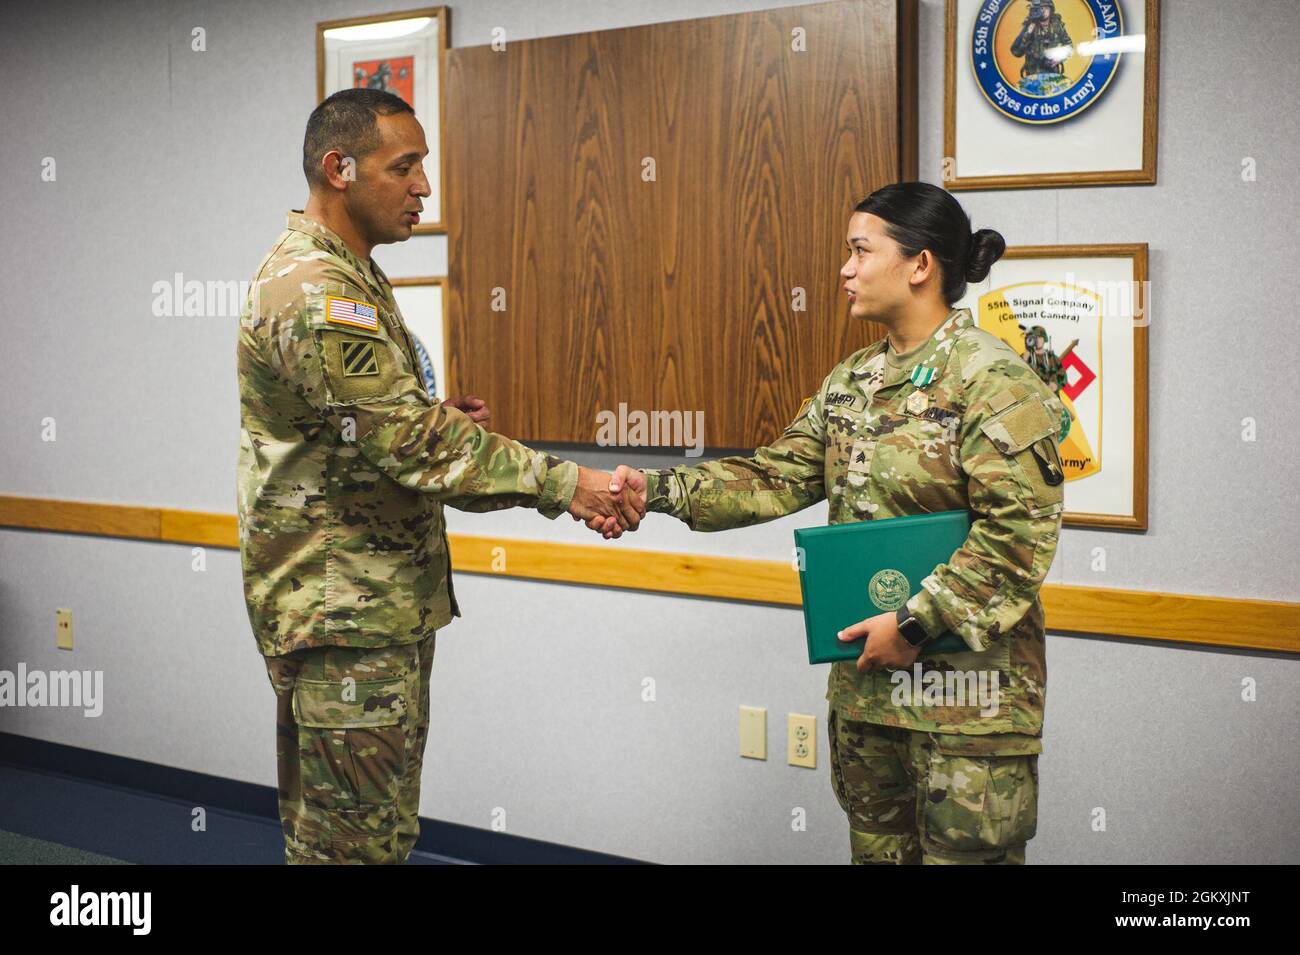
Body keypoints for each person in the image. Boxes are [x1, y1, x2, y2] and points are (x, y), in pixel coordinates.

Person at [593, 181, 1065, 864]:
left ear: (920, 264)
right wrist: (653, 490)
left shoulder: (994, 379)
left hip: (967, 705)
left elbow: (1018, 538)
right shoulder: (853, 380)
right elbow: (773, 477)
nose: (844, 269)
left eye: (859, 250)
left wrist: (913, 623)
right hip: (870, 694)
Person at [237, 88, 644, 864]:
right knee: (348, 847)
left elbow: (373, 429)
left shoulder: (353, 275)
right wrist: (571, 484)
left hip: (372, 610)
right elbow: (411, 446)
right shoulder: (315, 288)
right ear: (339, 168)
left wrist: (431, 414)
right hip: (343, 619)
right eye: (406, 166)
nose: (424, 186)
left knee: (380, 832)